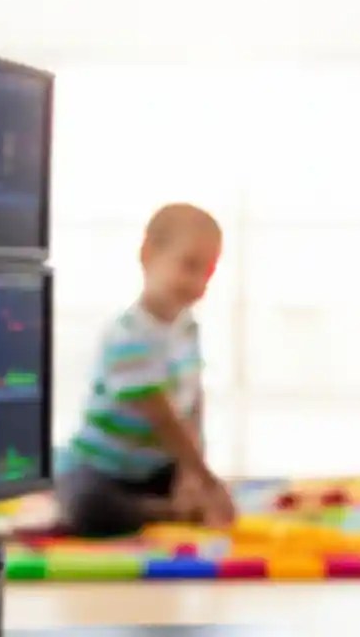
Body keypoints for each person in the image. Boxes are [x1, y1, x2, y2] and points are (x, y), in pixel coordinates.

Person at [57, 203, 236, 537]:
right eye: (189, 265)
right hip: (101, 468)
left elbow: (193, 403)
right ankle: (167, 512)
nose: (198, 282)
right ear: (147, 254)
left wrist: (191, 476)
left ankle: (166, 506)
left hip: (152, 468)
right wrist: (206, 480)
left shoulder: (187, 328)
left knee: (205, 490)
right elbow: (164, 418)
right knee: (88, 505)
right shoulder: (128, 335)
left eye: (208, 272)